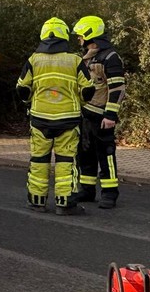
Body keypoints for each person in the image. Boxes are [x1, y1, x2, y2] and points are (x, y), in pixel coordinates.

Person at [17, 18, 96, 215]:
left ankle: (37, 201)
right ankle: (65, 203)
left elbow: (22, 89)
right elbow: (88, 90)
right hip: (68, 120)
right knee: (66, 162)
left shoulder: (33, 60)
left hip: (39, 120)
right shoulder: (75, 61)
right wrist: (79, 103)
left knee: (39, 161)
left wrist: (31, 102)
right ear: (63, 36)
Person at [71, 15, 127, 209]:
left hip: (102, 116)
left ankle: (110, 193)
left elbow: (117, 88)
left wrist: (110, 115)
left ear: (89, 34)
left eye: (80, 35)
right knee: (85, 153)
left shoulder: (110, 57)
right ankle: (87, 190)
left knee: (106, 155)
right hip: (85, 115)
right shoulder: (86, 58)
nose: (79, 39)